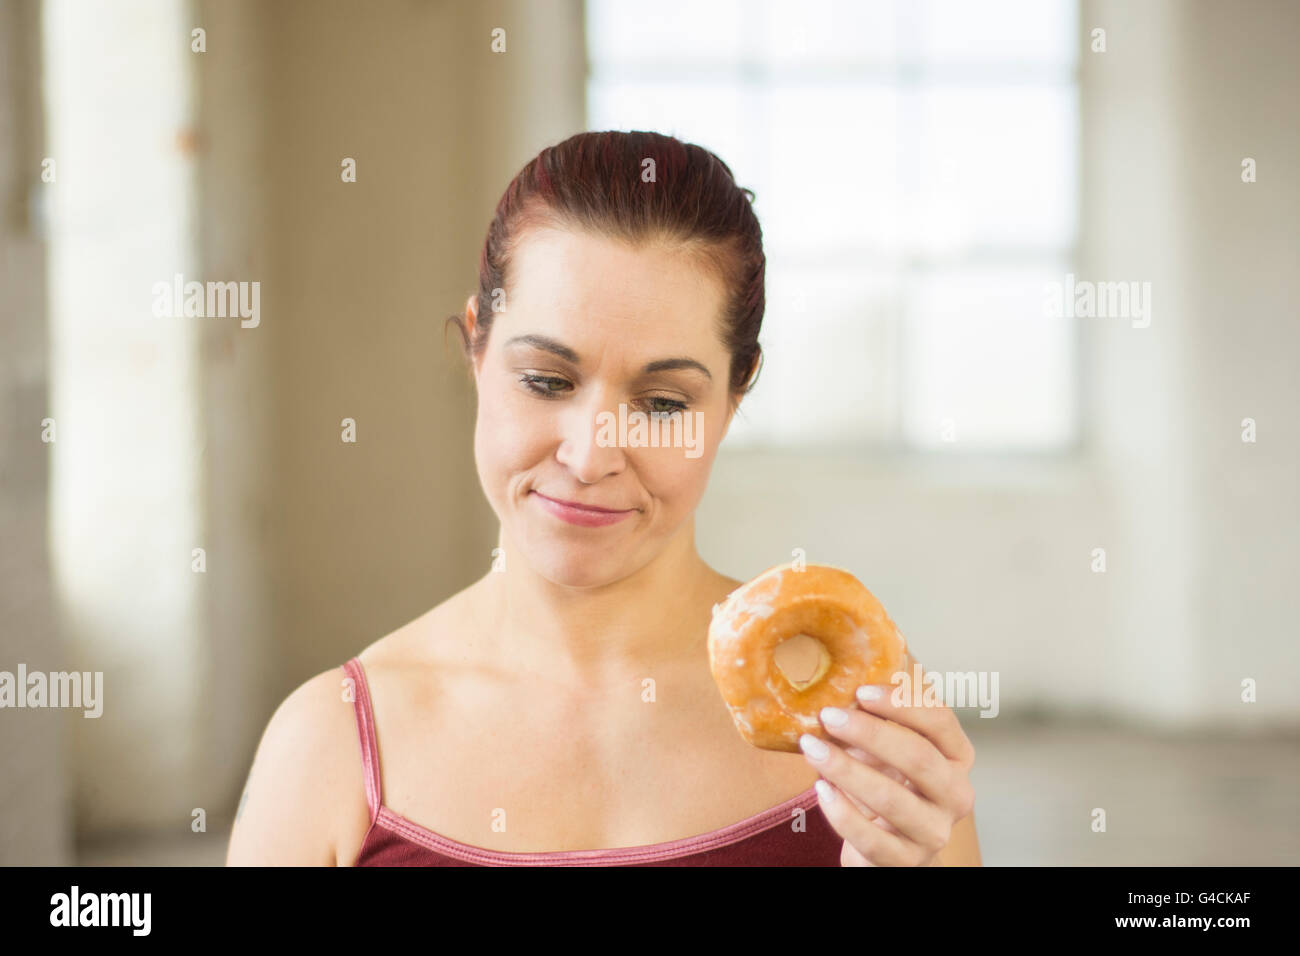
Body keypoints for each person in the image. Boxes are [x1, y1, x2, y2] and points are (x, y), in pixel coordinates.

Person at [226, 130, 981, 866]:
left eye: (661, 403)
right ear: (477, 349)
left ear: (734, 394)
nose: (589, 457)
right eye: (548, 381)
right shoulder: (330, 745)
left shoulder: (861, 724)